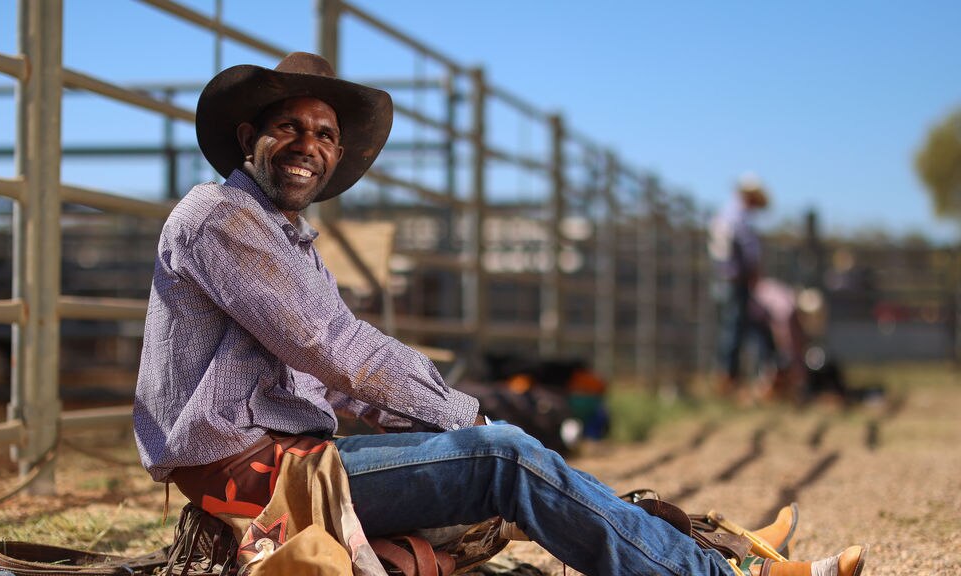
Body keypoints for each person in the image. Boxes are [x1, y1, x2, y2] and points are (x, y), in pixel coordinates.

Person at [133, 52, 866, 576]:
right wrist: (467, 420)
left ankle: (713, 546)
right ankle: (714, 573)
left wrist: (463, 421)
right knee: (504, 456)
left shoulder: (290, 243)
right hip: (262, 480)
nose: (310, 146)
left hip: (295, 464)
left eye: (325, 134)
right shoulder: (221, 217)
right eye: (289, 126)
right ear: (247, 139)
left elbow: (345, 383)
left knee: (504, 448)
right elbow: (334, 347)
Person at [708, 174, 771, 400]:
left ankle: (731, 378)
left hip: (730, 278)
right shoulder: (737, 217)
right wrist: (750, 272)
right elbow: (745, 250)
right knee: (734, 328)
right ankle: (729, 378)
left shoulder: (728, 214)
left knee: (735, 327)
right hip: (736, 279)